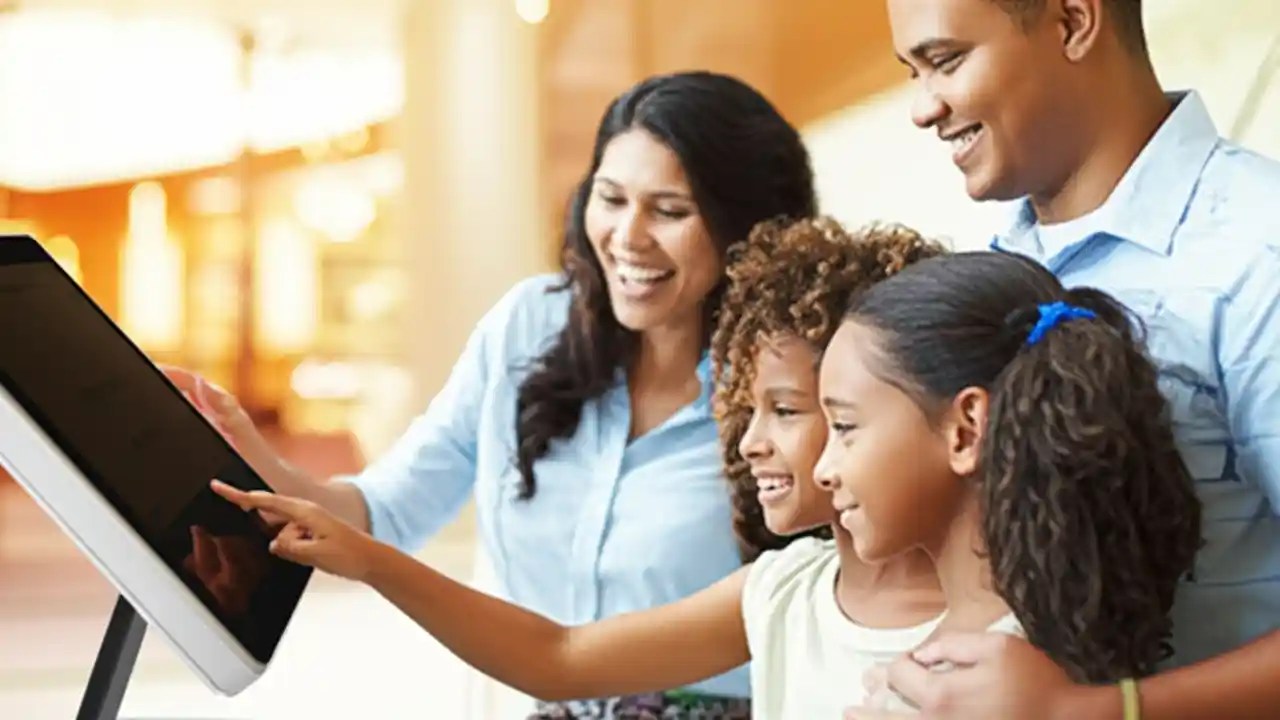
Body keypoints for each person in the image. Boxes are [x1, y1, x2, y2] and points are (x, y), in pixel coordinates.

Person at [165, 70, 819, 717]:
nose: (628, 236)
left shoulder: (789, 386)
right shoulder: (528, 327)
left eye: (670, 211)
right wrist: (254, 456)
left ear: (748, 229)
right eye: (611, 198)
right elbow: (385, 509)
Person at [205, 218, 949, 719]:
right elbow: (556, 657)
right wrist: (370, 563)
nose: (749, 443)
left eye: (787, 411)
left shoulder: (995, 610)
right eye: (747, 410)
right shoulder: (781, 591)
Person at [862, 0, 1280, 717]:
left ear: (1074, 21)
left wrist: (1105, 709)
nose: (922, 108)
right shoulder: (992, 269)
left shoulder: (1257, 252)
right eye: (911, 71)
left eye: (947, 61)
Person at [804, 251, 1198, 716]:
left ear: (966, 430)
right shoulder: (1041, 652)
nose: (822, 470)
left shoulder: (959, 694)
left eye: (846, 427)